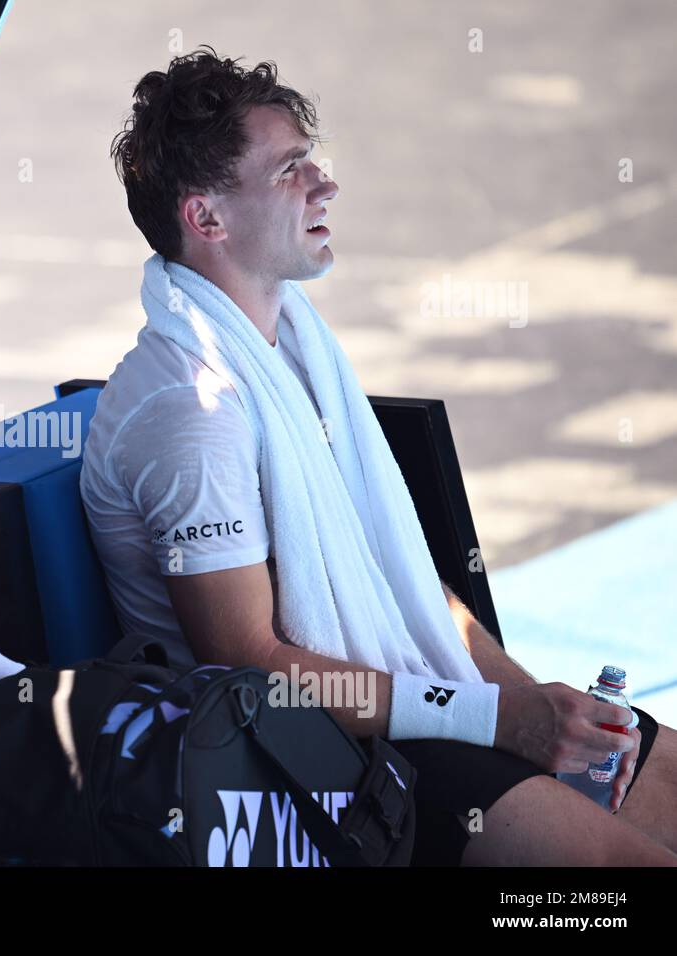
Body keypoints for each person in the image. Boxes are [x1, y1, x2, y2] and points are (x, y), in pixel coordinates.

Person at [81, 48, 677, 866]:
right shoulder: (192, 409)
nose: (324, 185)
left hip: (398, 709)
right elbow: (250, 667)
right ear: (207, 217)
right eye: (291, 170)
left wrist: (530, 704)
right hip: (312, 769)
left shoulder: (292, 345)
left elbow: (402, 587)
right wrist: (501, 723)